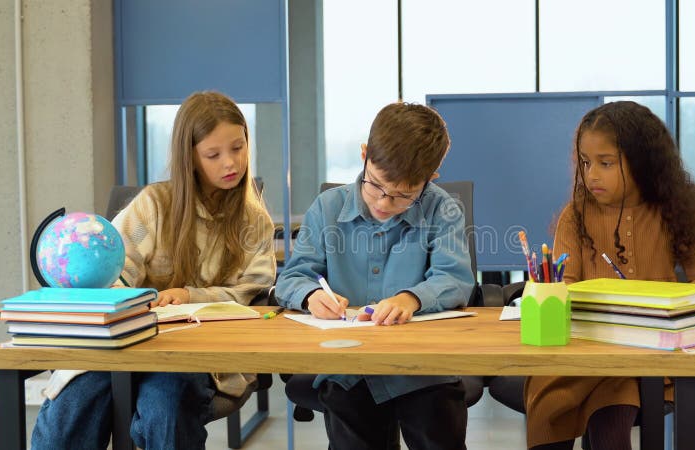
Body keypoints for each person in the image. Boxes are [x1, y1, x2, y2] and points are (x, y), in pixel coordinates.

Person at [31, 91, 276, 450]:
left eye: (238, 148)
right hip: (127, 345)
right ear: (189, 157)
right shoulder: (152, 206)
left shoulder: (253, 220)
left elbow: (252, 291)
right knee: (70, 411)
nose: (231, 163)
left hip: (199, 356)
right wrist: (136, 305)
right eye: (213, 154)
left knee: (165, 404)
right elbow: (111, 277)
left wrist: (191, 296)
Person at [524, 101, 695, 450]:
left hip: (649, 352)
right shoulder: (575, 216)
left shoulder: (670, 213)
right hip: (586, 352)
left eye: (605, 163)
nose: (591, 175)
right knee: (573, 398)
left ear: (642, 162)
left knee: (616, 397)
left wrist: (671, 304)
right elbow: (564, 285)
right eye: (585, 163)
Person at [276, 102, 475, 450]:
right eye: (377, 186)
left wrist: (411, 299)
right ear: (364, 155)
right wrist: (311, 296)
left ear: (430, 178)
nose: (384, 203)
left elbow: (455, 279)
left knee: (437, 426)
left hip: (423, 367)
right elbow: (292, 278)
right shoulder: (327, 208)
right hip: (349, 366)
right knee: (352, 425)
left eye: (403, 195)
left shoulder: (442, 209)